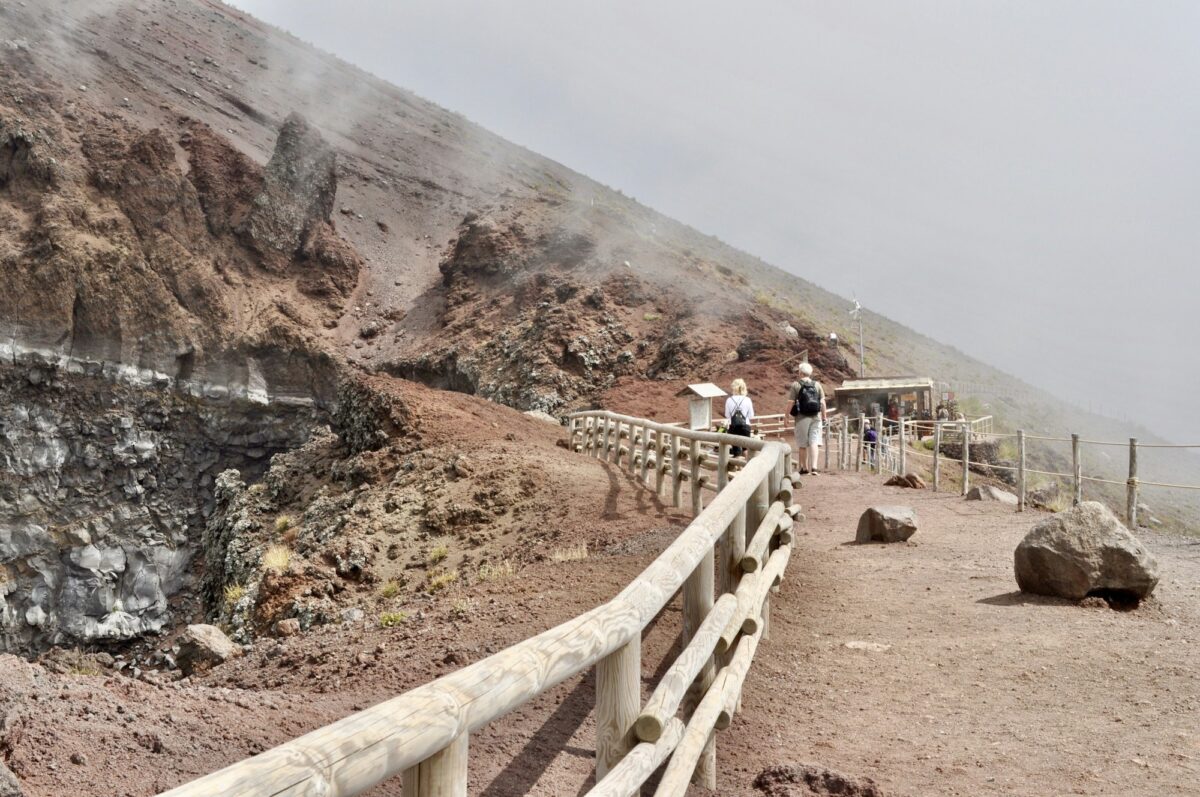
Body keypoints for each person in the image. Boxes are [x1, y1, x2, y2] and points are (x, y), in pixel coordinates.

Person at [786, 362, 827, 475]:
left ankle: (804, 468)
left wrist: (786, 417)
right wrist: (824, 417)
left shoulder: (796, 385)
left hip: (801, 417)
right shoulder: (817, 385)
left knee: (802, 444)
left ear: (800, 373)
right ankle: (814, 467)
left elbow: (790, 402)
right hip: (816, 417)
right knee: (814, 442)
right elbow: (823, 403)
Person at [724, 379, 755, 458]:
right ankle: (747, 463)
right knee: (746, 449)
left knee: (736, 450)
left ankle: (737, 462)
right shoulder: (747, 400)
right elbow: (751, 415)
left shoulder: (729, 400)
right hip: (745, 426)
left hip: (733, 426)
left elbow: (727, 415)